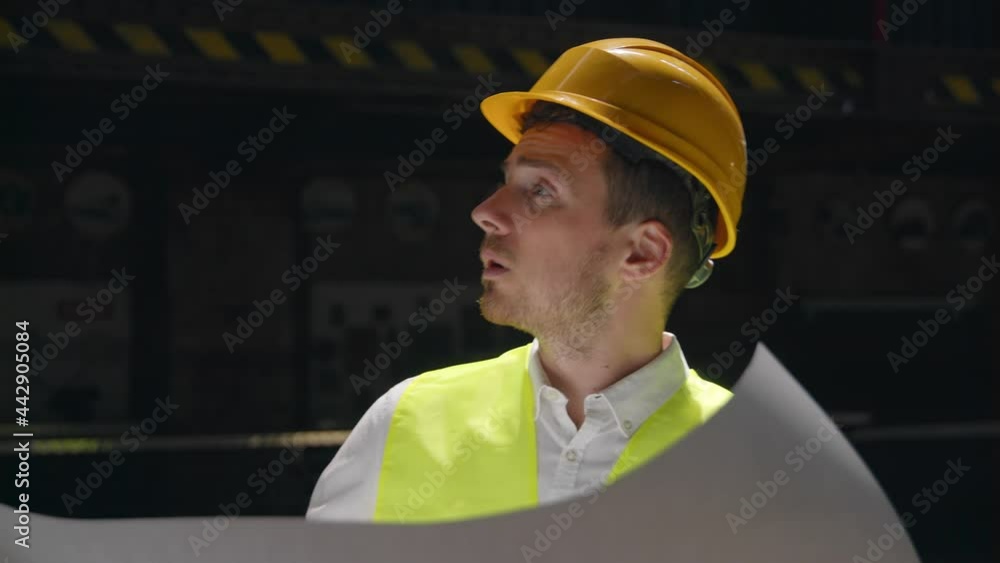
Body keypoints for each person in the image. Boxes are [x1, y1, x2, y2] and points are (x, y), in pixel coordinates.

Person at [306, 38, 748, 524]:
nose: (485, 212)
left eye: (540, 190)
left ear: (642, 252)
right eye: (507, 182)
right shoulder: (404, 425)